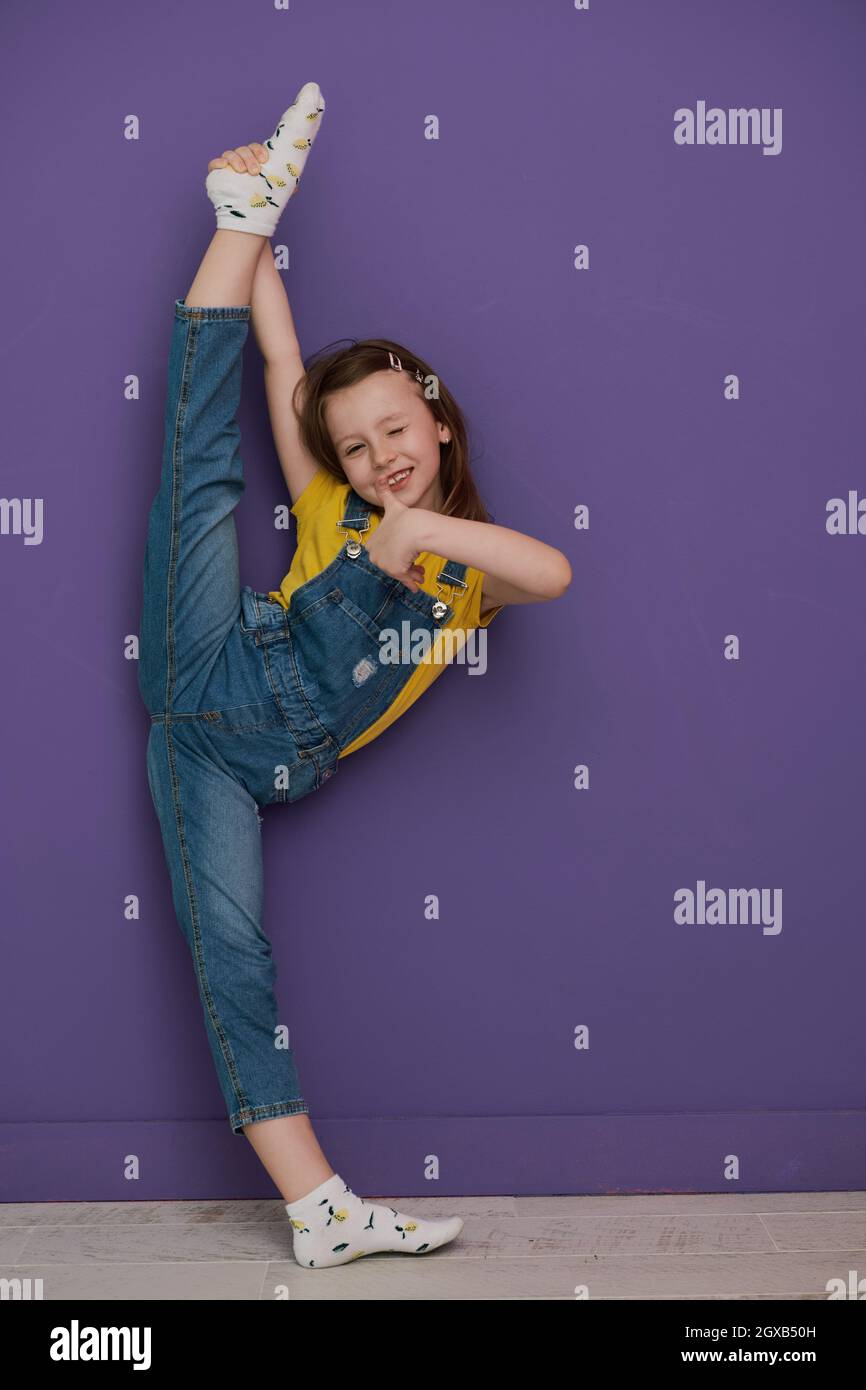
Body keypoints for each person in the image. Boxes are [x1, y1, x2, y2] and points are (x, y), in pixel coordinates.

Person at [137, 82, 572, 1269]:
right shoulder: (332, 504)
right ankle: (234, 214)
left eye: (396, 430)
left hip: (256, 755)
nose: (379, 456)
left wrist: (416, 538)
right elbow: (282, 353)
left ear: (437, 426)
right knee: (202, 475)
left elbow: (551, 569)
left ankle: (321, 1212)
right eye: (355, 444)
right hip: (218, 654)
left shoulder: (461, 574)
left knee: (232, 959)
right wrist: (261, 227)